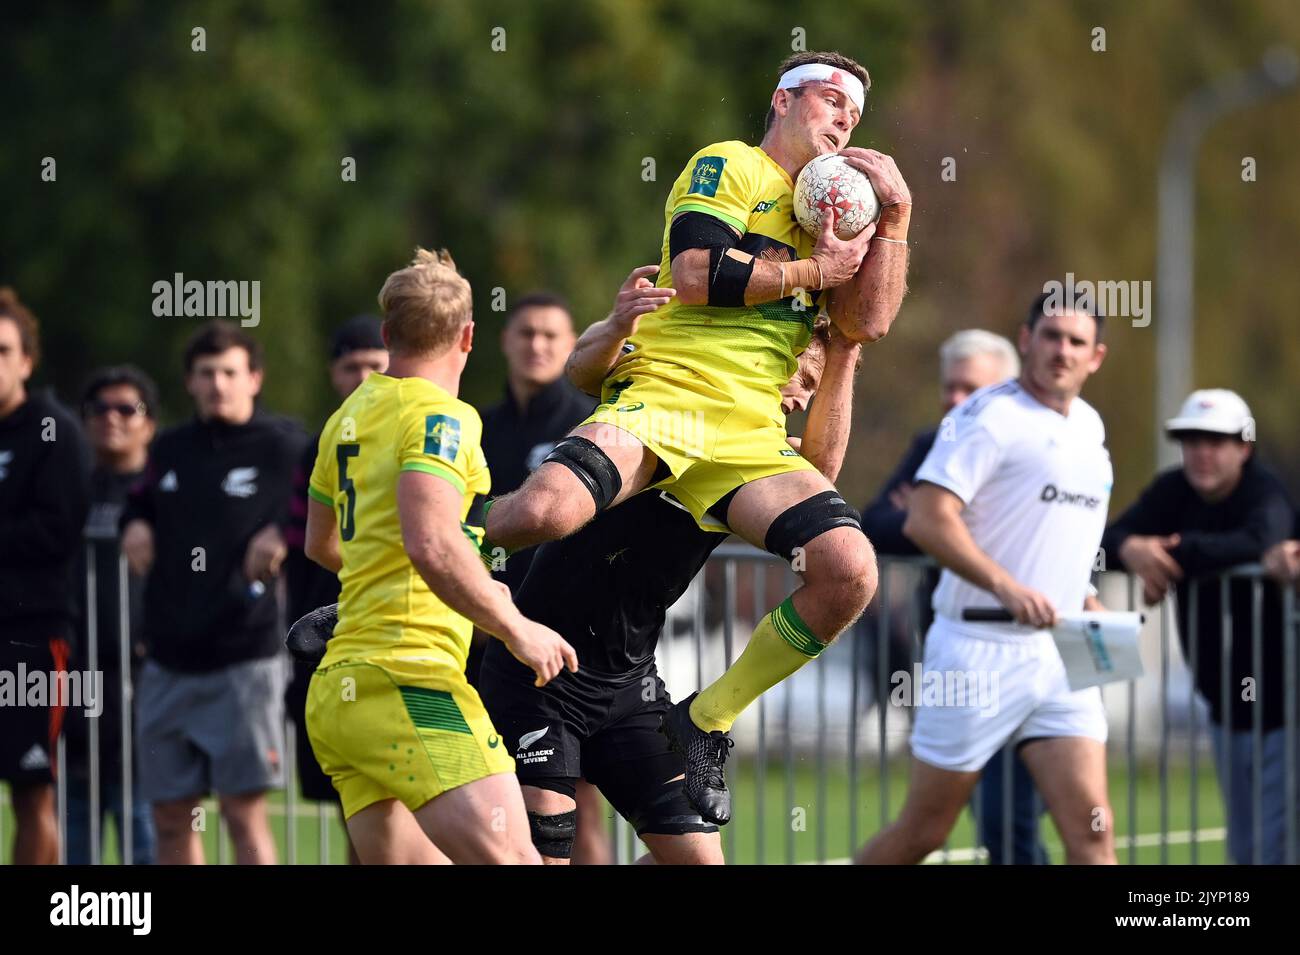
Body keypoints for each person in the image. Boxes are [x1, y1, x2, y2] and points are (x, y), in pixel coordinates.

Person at [482, 50, 910, 825]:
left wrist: (896, 221)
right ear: (781, 101)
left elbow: (866, 326)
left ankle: (704, 720)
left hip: (746, 430)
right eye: (829, 98)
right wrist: (814, 272)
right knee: (546, 510)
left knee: (849, 572)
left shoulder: (836, 214)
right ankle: (403, 568)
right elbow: (694, 271)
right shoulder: (733, 165)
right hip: (673, 396)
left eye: (855, 112)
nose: (844, 119)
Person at [480, 271, 857, 862]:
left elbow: (821, 472)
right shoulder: (663, 409)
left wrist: (844, 352)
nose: (800, 398)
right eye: (799, 378)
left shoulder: (753, 472)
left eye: (812, 387)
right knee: (547, 853)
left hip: (629, 686)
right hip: (539, 673)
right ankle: (392, 589)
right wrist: (616, 323)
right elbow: (588, 371)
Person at [302, 248, 576, 865]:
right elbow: (430, 539)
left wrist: (410, 578)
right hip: (413, 680)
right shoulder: (443, 417)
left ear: (386, 334)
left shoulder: (344, 417)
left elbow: (321, 544)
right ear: (470, 336)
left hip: (341, 693)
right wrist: (515, 628)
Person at [856, 291, 1116, 865]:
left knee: (1093, 835)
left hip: (1062, 655)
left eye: (1076, 342)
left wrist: (1083, 592)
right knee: (924, 832)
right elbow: (926, 519)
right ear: (1026, 341)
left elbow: (1053, 532)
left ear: (1095, 357)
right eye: (1051, 336)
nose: (1061, 351)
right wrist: (1007, 586)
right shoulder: (988, 415)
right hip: (978, 650)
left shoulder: (1091, 428)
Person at [122, 320, 307, 864]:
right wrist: (135, 520)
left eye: (229, 371)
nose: (217, 383)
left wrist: (285, 532)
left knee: (242, 817)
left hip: (242, 659)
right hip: (166, 661)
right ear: (190, 383)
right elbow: (139, 496)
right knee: (170, 819)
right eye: (206, 373)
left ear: (254, 378)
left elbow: (326, 506)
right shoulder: (170, 447)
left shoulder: (286, 446)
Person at [860, 329, 1048, 863]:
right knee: (941, 823)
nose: (955, 401)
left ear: (1007, 388)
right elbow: (877, 523)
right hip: (954, 647)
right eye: (949, 388)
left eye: (971, 389)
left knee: (1019, 816)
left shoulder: (1039, 445)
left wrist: (941, 522)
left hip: (1034, 651)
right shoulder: (931, 444)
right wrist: (932, 522)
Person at [1102, 389, 1294, 864]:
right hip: (1225, 705)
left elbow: (1260, 541)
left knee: (1280, 847)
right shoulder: (1174, 490)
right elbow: (1109, 537)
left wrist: (1172, 553)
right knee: (1245, 846)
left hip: (1287, 707)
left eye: (1216, 441)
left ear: (1244, 448)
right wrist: (1133, 551)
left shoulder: (1264, 490)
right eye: (1191, 440)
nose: (1201, 452)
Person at [476, 292, 611, 863]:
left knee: (578, 805)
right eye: (525, 333)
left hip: (568, 635)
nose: (536, 345)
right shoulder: (477, 426)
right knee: (491, 799)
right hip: (486, 632)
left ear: (570, 344)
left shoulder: (589, 424)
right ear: (505, 341)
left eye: (551, 336)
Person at [282, 315, 388, 864]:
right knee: (358, 806)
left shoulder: (412, 429)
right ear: (333, 374)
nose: (365, 377)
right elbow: (310, 541)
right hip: (330, 641)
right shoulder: (319, 445)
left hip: (403, 640)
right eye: (352, 366)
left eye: (376, 364)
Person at [0, 287, 92, 865]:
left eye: (2, 350)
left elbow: (56, 532)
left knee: (32, 792)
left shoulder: (53, 430)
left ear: (26, 360)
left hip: (31, 637)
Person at [65, 365, 160, 864]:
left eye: (127, 408)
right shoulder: (68, 491)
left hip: (144, 675)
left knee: (140, 820)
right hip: (74, 674)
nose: (112, 419)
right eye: (99, 409)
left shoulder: (164, 492)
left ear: (149, 423)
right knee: (74, 816)